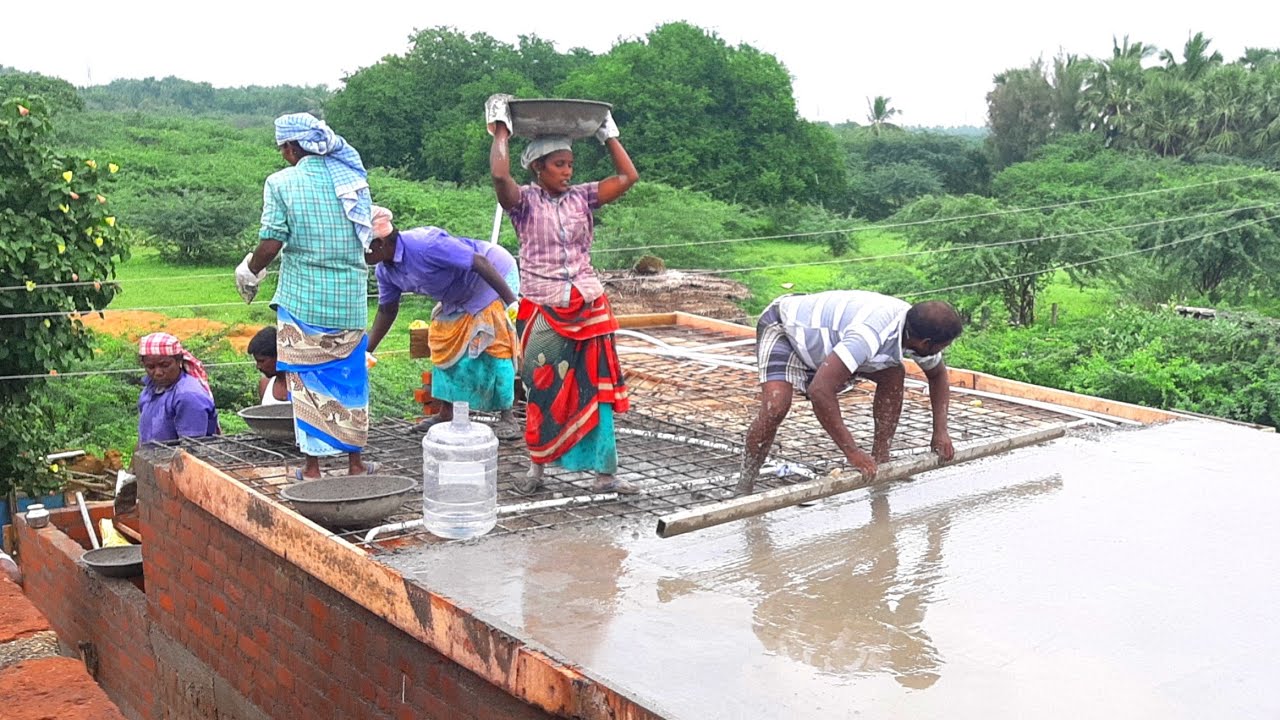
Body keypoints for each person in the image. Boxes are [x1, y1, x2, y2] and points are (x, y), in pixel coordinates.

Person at [486, 94, 640, 495]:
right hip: (544, 306)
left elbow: (628, 177)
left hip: (588, 304)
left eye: (570, 164)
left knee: (596, 389)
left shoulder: (583, 197)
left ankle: (605, 473)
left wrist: (608, 134)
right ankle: (537, 470)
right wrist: (501, 129)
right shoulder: (524, 202)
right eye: (559, 164)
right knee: (542, 388)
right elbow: (500, 177)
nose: (568, 171)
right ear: (538, 167)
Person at [234, 112, 377, 480]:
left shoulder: (281, 183)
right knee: (349, 380)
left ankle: (312, 468)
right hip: (349, 302)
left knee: (306, 384)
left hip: (303, 301)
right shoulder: (351, 180)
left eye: (282, 148)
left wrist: (251, 268)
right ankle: (355, 464)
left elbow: (272, 241)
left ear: (291, 147)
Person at [737, 290, 963, 495]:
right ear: (926, 343)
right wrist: (852, 452)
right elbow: (820, 390)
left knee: (893, 373)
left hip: (829, 347)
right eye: (944, 346)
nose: (943, 350)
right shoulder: (869, 335)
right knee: (776, 406)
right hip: (787, 329)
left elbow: (937, 376)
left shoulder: (913, 329)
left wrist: (940, 431)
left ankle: (881, 460)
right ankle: (744, 487)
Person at [365, 206, 522, 440]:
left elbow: (479, 261)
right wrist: (366, 351)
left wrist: (511, 302)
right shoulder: (385, 272)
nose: (361, 255)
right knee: (440, 341)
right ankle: (446, 412)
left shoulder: (426, 244)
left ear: (380, 243)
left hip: (492, 276)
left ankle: (507, 417)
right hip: (457, 295)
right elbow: (387, 310)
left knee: (494, 343)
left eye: (364, 248)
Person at [137, 332, 220, 444]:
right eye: (150, 367)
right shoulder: (150, 390)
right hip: (154, 454)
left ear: (179, 361)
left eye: (165, 365)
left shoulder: (188, 396)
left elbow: (191, 449)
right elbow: (143, 439)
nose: (158, 372)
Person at [247, 326, 289, 405]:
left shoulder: (303, 386)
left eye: (262, 361)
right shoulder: (265, 385)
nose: (258, 366)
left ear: (278, 356)